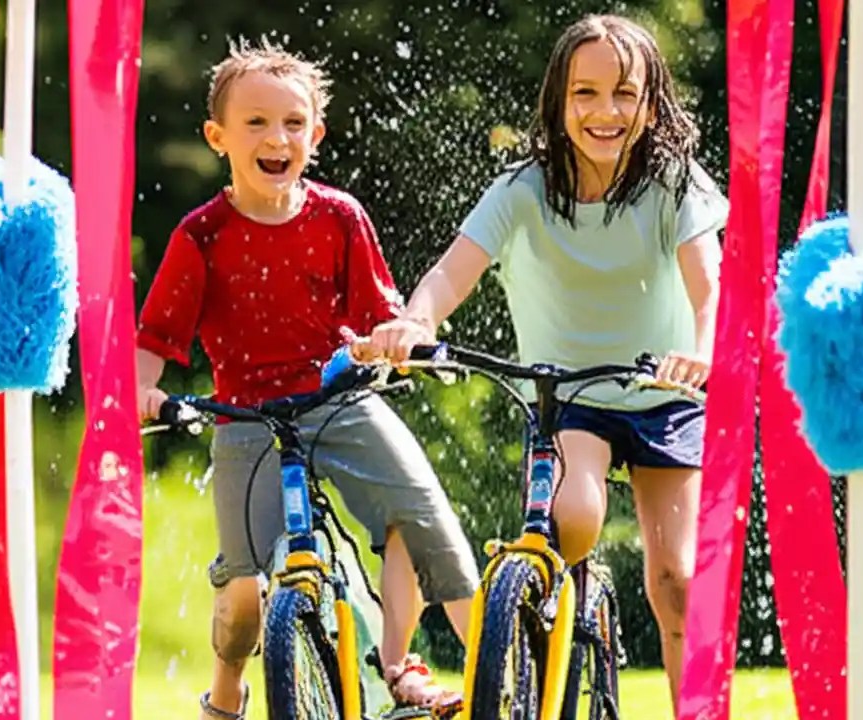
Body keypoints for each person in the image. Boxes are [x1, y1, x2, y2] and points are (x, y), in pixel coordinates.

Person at [352, 14, 728, 712]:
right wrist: (415, 320)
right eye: (585, 93)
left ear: (652, 104)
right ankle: (549, 619)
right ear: (558, 100)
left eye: (625, 93)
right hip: (571, 398)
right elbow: (450, 273)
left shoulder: (675, 181)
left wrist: (701, 352)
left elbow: (710, 285)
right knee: (573, 510)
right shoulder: (523, 189)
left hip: (665, 392)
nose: (605, 112)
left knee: (676, 577)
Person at [133, 38, 480, 718]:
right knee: (242, 594)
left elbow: (381, 310)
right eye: (256, 123)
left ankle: (478, 676)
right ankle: (228, 685)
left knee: (419, 511)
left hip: (338, 401)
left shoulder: (338, 217)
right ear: (217, 137)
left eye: (293, 123)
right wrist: (143, 392)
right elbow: (156, 339)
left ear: (315, 135)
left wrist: (395, 336)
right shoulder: (201, 236)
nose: (277, 138)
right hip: (247, 418)